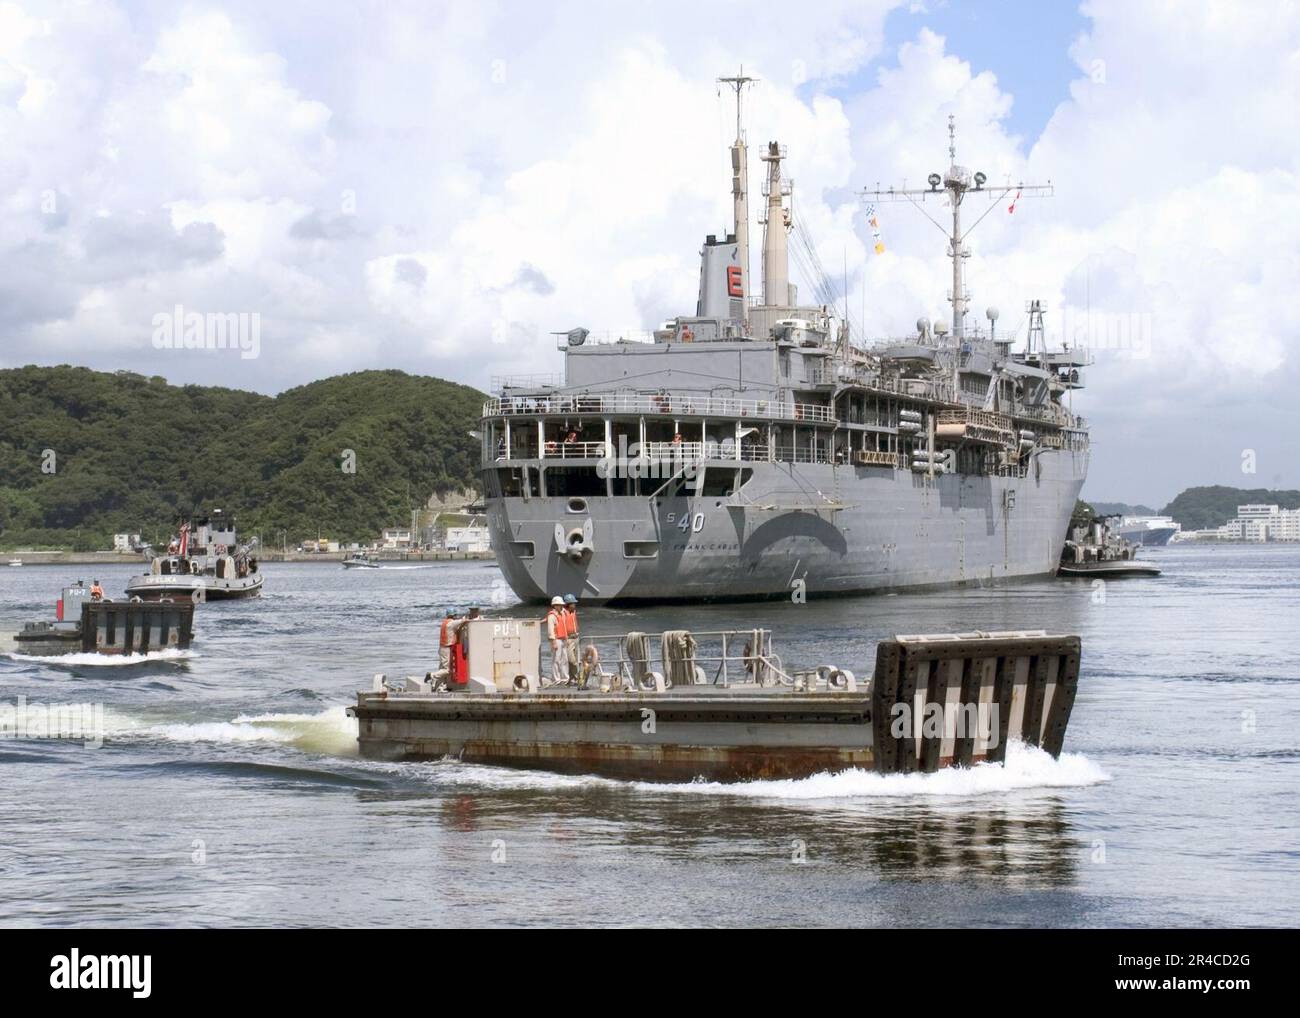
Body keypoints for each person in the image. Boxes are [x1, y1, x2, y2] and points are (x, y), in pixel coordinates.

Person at [545, 596, 567, 686]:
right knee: (556, 660)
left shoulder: (562, 613)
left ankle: (565, 678)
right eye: (560, 605)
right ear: (555, 605)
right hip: (557, 640)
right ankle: (556, 679)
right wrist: (553, 642)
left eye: (562, 605)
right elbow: (551, 630)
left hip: (563, 639)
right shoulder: (551, 616)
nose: (562, 606)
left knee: (564, 659)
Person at [563, 594, 581, 686]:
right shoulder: (563, 613)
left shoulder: (573, 612)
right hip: (569, 639)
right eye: (573, 604)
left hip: (576, 638)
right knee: (571, 660)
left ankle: (572, 679)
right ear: (568, 604)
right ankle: (577, 678)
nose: (575, 605)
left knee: (577, 660)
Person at [438, 610, 462, 675]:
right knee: (447, 670)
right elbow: (464, 620)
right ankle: (432, 675)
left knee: (442, 667)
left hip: (442, 648)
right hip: (446, 648)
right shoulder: (452, 623)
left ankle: (440, 684)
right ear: (453, 615)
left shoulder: (444, 622)